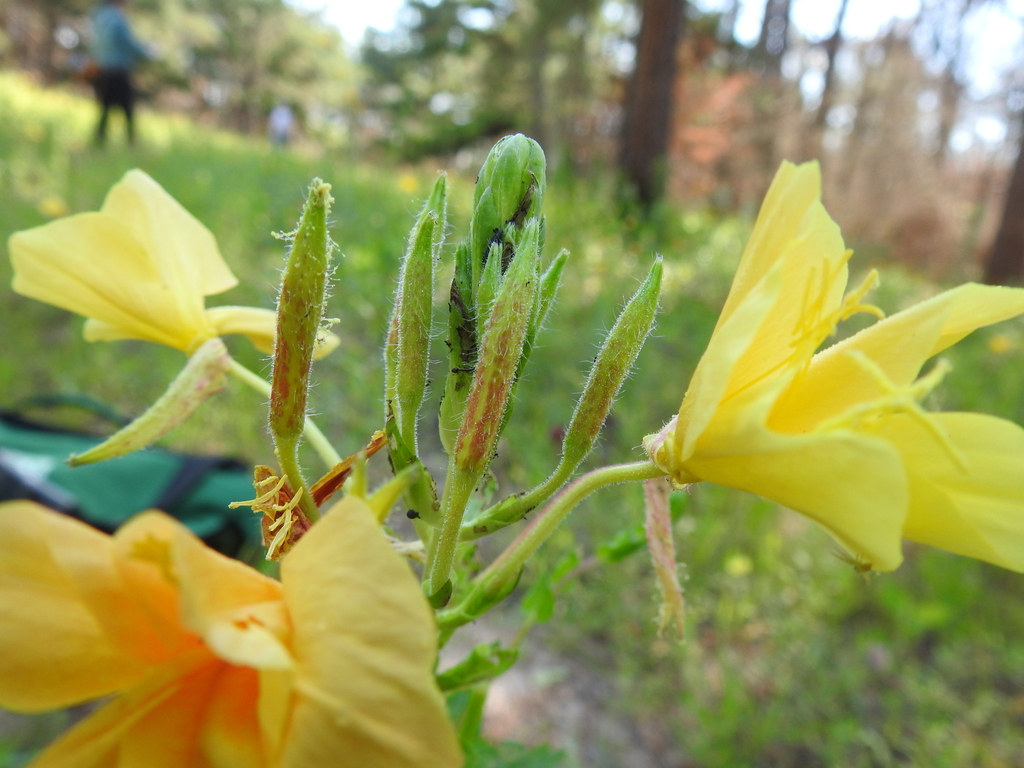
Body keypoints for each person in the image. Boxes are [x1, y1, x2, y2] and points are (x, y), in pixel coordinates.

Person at [90, 0, 150, 146]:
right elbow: (128, 42)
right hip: (118, 71)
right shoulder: (117, 19)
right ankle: (131, 142)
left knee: (105, 108)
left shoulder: (99, 17)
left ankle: (99, 141)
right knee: (127, 108)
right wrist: (147, 51)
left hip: (102, 70)